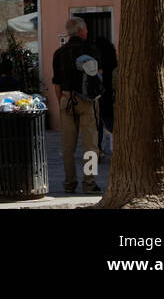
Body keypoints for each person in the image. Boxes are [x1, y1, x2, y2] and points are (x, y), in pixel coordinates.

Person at [52, 17, 102, 194]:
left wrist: (61, 102)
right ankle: (89, 183)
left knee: (67, 147)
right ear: (81, 31)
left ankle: (69, 182)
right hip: (88, 101)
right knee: (90, 145)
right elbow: (98, 75)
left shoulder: (59, 53)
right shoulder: (91, 49)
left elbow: (56, 82)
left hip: (66, 98)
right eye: (86, 29)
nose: (87, 31)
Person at [93, 34, 118, 158]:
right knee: (111, 123)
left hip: (97, 96)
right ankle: (115, 149)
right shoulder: (113, 63)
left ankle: (98, 150)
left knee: (97, 125)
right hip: (109, 95)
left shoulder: (95, 63)